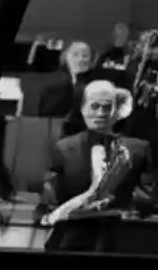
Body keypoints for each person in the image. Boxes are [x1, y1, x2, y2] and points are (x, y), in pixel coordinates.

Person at [40, 81, 150, 252]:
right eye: (94, 106)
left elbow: (149, 197)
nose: (101, 113)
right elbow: (50, 200)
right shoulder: (63, 149)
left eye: (107, 107)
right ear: (83, 109)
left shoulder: (138, 149)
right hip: (73, 235)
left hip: (121, 234)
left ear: (117, 110)